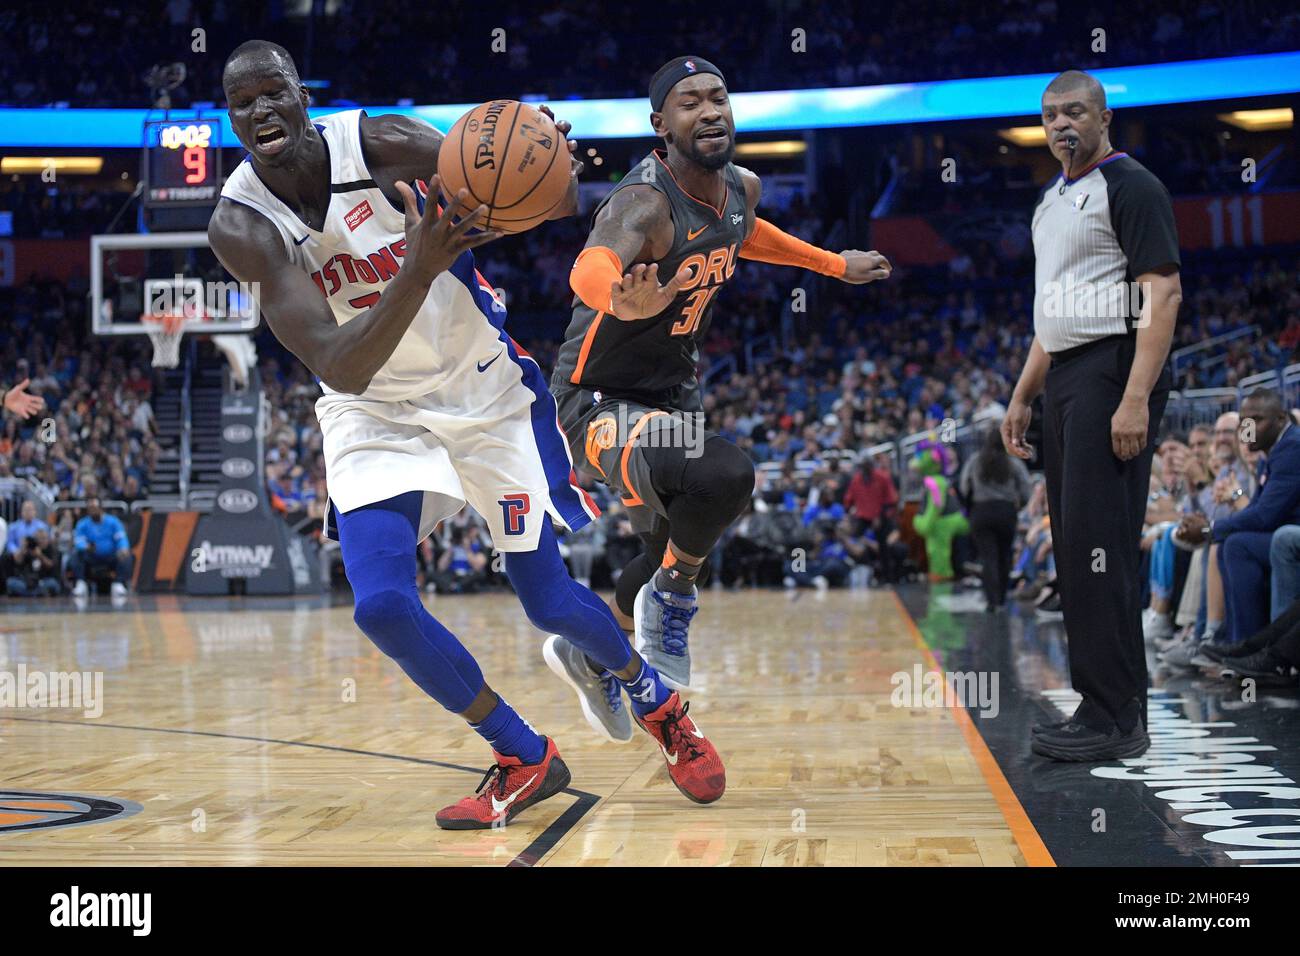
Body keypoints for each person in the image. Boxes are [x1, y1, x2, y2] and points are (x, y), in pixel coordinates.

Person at [207, 40, 724, 827]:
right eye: (242, 103)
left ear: (301, 97)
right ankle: (523, 753)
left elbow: (552, 201)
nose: (260, 112)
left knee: (546, 599)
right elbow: (341, 367)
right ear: (233, 119)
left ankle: (661, 708)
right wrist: (418, 264)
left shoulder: (381, 145)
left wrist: (541, 160)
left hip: (481, 394)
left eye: (273, 92)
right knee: (379, 606)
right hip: (371, 412)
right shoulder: (242, 224)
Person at [551, 55, 891, 690]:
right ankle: (674, 601)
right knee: (725, 473)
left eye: (718, 98)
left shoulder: (742, 187)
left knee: (660, 547)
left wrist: (833, 266)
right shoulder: (644, 204)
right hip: (597, 397)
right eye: (690, 102)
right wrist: (618, 298)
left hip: (674, 392)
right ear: (661, 124)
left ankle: (593, 653)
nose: (709, 110)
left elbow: (747, 235)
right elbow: (589, 266)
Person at [1002, 70, 1181, 762]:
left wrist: (1136, 395)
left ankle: (1114, 719)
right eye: (1050, 116)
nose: (1060, 125)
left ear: (1104, 117)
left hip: (1115, 366)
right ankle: (1103, 708)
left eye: (1074, 112)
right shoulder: (1051, 200)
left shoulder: (1131, 185)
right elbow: (1052, 315)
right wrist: (1022, 394)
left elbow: (1161, 293)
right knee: (1079, 546)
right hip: (1068, 374)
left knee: (1101, 543)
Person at [1177, 389, 1300, 652]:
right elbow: (1257, 510)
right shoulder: (1277, 448)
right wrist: (1211, 529)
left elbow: (1265, 515)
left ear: (1280, 418)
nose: (1248, 428)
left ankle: (1249, 645)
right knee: (1227, 543)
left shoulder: (1292, 447)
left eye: (1256, 419)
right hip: (1284, 533)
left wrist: (1210, 528)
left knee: (1236, 545)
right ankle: (1228, 640)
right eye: (1244, 420)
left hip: (1290, 535)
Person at [960, 425, 1031, 610]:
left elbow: (964, 486)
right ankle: (1001, 598)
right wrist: (1018, 506)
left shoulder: (975, 461)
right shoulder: (1013, 463)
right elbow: (1026, 490)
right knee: (1005, 555)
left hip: (981, 512)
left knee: (987, 556)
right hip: (1006, 512)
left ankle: (991, 600)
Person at [70, 497, 132, 598]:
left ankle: (119, 583)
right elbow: (78, 540)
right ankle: (81, 583)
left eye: (94, 507)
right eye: (90, 508)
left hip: (111, 555)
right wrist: (86, 547)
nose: (92, 510)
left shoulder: (113, 522)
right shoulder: (83, 524)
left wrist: (123, 547)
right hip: (91, 555)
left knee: (126, 555)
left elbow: (121, 538)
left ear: (101, 508)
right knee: (76, 553)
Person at [6, 527, 62, 597]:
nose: (41, 541)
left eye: (44, 538)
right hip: (28, 582)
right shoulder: (30, 548)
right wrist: (23, 549)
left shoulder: (52, 549)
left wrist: (40, 556)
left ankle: (29, 594)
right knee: (11, 582)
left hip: (43, 581)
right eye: (39, 539)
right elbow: (17, 561)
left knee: (53, 584)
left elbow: (51, 565)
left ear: (48, 539)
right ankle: (35, 594)